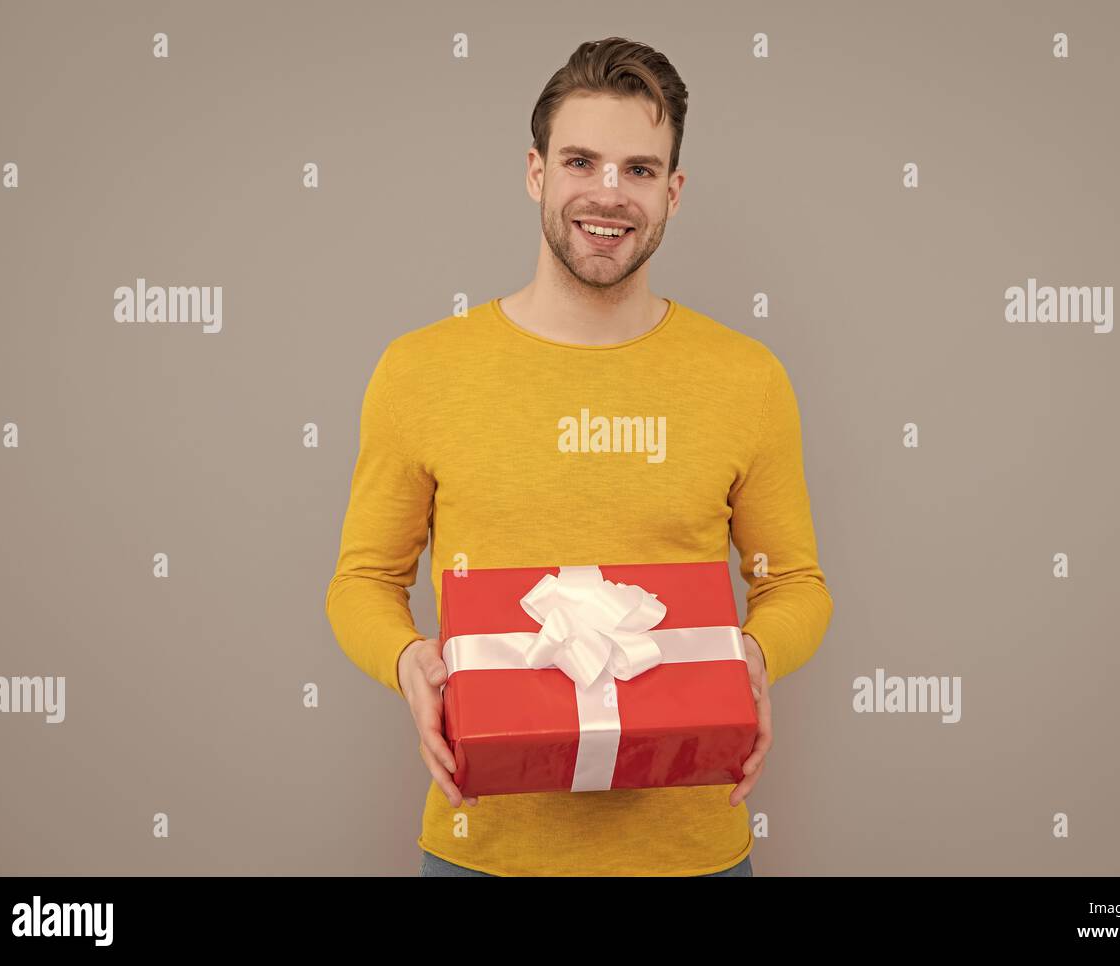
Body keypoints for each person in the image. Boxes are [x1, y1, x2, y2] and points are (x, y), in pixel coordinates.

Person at [325, 36, 833, 877]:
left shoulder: (747, 378)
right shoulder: (420, 371)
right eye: (581, 161)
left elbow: (797, 584)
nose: (609, 193)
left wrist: (751, 656)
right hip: (483, 851)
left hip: (692, 855)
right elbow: (362, 581)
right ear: (535, 173)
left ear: (672, 193)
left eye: (639, 170)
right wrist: (410, 660)